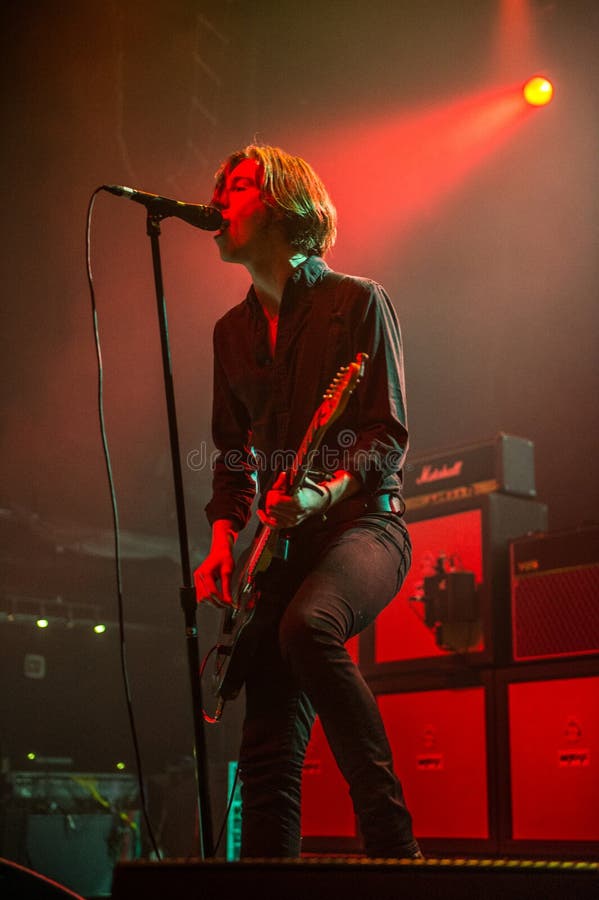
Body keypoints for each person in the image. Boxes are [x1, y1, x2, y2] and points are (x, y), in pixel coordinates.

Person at [194, 144, 421, 860]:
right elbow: (231, 459)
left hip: (365, 524)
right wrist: (223, 543)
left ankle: (393, 847)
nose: (217, 201)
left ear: (285, 205)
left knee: (309, 625)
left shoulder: (355, 300)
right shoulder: (228, 335)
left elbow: (384, 432)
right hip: (278, 546)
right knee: (264, 743)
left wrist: (323, 492)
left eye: (236, 187)